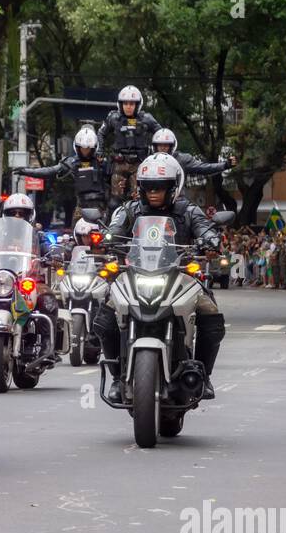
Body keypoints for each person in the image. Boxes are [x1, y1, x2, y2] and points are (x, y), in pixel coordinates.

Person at [94, 153, 226, 400]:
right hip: (135, 275)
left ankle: (204, 376)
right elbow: (114, 229)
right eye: (149, 187)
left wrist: (211, 239)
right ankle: (116, 378)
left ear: (173, 187)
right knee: (104, 319)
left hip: (181, 276)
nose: (154, 192)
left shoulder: (189, 210)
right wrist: (106, 238)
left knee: (211, 315)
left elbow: (205, 228)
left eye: (161, 187)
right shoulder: (130, 209)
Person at [1, 193, 62, 356]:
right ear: (5, 215)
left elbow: (50, 247)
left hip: (31, 281)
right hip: (2, 282)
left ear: (30, 215)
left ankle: (47, 344)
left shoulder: (38, 236)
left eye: (22, 213)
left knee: (48, 300)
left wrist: (54, 254)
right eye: (13, 213)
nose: (17, 216)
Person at [13, 124, 110, 217]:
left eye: (88, 148)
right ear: (77, 147)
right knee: (78, 230)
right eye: (82, 148)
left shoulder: (102, 162)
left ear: (94, 147)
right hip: (81, 208)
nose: (85, 151)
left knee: (112, 229)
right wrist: (26, 171)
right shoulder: (71, 162)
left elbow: (116, 179)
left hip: (102, 209)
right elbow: (50, 171)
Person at [97, 86, 163, 209]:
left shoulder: (146, 118)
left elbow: (162, 134)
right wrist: (100, 150)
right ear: (120, 104)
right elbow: (101, 133)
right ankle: (114, 225)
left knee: (140, 198)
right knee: (115, 201)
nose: (128, 106)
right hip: (118, 164)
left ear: (138, 105)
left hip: (139, 165)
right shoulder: (113, 118)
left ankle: (140, 224)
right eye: (125, 103)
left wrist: (158, 154)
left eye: (132, 104)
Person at [151, 128, 237, 179]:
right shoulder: (150, 161)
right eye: (159, 145)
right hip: (152, 200)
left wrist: (225, 165)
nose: (162, 147)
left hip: (177, 200)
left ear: (171, 146)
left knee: (193, 210)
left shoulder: (182, 159)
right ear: (155, 146)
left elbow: (204, 168)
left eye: (166, 145)